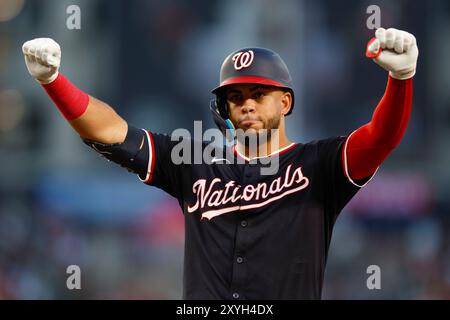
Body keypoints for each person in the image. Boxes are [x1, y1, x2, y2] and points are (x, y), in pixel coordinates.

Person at [22, 27, 418, 299]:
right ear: (221, 107)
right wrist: (55, 81)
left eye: (259, 92)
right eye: (235, 95)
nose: (245, 102)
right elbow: (113, 133)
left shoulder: (319, 164)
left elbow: (380, 137)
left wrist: (401, 80)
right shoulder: (194, 164)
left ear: (285, 102)